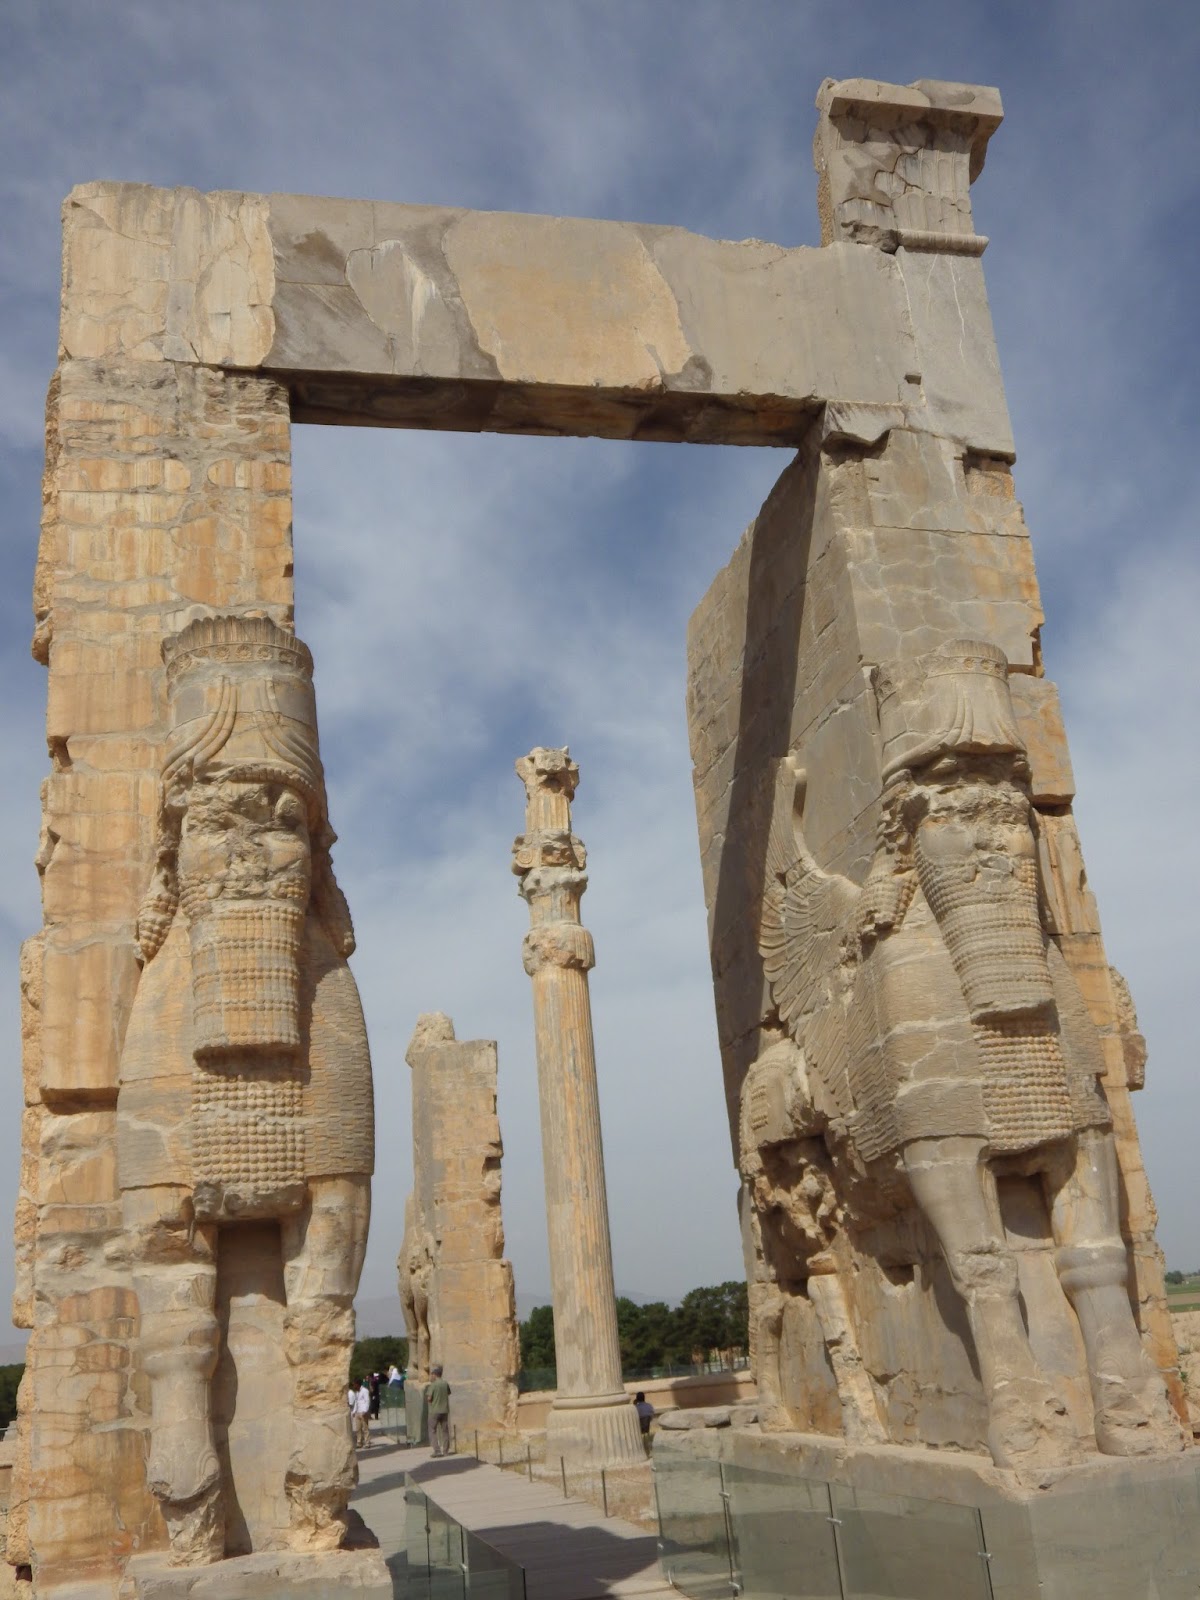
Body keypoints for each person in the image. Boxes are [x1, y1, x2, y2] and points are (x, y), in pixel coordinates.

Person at [424, 1365, 451, 1458]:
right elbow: (448, 1393)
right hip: (444, 1410)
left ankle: (437, 1450)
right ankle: (446, 1451)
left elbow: (429, 1398)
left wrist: (431, 1401)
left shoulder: (433, 1385)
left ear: (435, 1375)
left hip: (434, 1410)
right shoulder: (445, 1383)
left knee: (432, 1430)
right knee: (445, 1431)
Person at [353, 1378, 372, 1449]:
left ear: (357, 1384)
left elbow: (367, 1401)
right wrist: (354, 1411)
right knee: (358, 1429)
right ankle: (359, 1442)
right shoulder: (356, 1392)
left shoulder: (364, 1391)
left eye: (354, 1384)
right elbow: (356, 1402)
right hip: (358, 1411)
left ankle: (367, 1442)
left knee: (365, 1428)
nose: (354, 1386)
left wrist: (365, 1410)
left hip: (363, 1412)